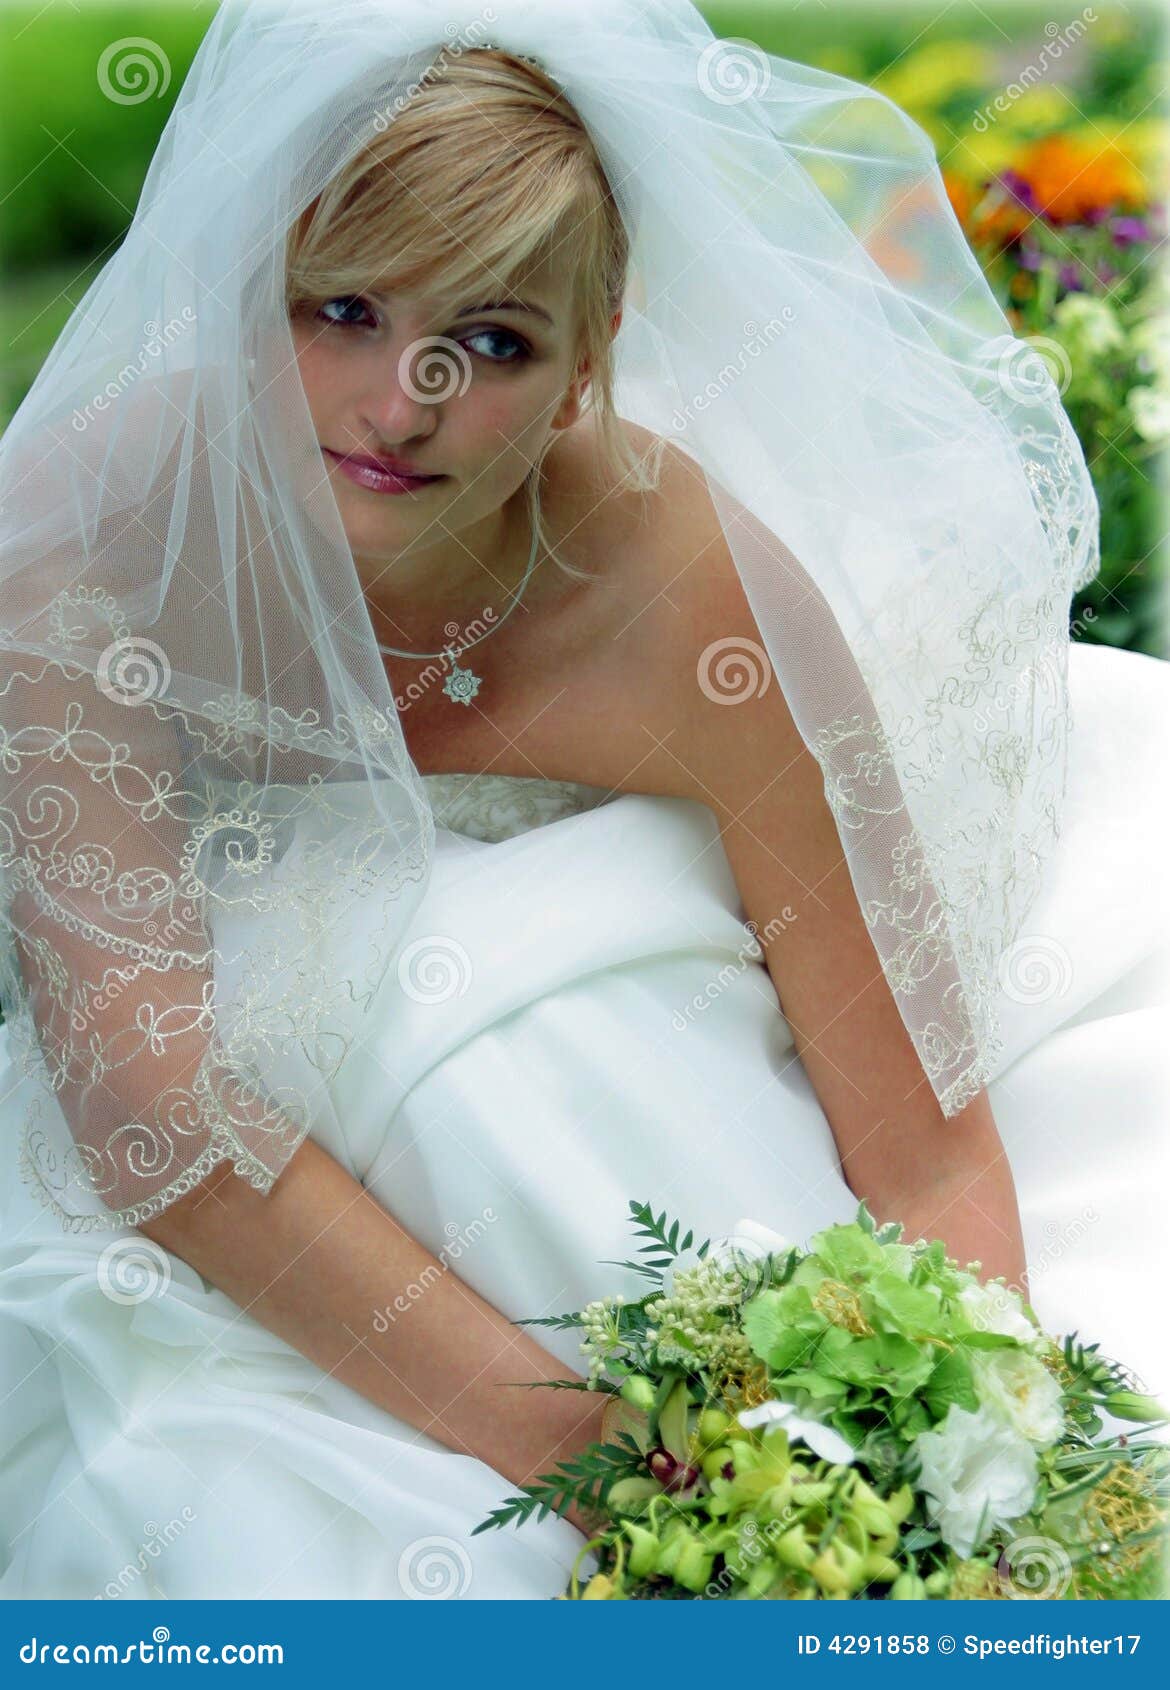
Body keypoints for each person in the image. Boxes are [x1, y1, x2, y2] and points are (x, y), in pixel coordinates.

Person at [1, 0, 1165, 1599]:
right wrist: (575, 1447)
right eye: (340, 309)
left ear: (584, 370)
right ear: (239, 306)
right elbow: (150, 1109)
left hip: (644, 1149)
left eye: (490, 341)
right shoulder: (82, 557)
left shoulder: (691, 606)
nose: (401, 400)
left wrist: (974, 1477)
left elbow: (921, 1152)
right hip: (231, 1187)